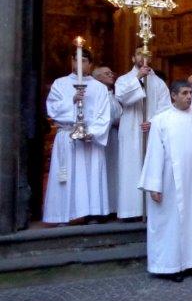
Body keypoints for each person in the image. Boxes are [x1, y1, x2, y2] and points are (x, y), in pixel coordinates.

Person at [138, 81, 192, 282]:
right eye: (184, 93)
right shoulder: (161, 120)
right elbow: (154, 153)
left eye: (190, 93)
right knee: (170, 223)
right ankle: (170, 266)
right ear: (173, 96)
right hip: (169, 181)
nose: (189, 96)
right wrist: (154, 185)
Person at [43, 48, 111, 224]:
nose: (79, 64)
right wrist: (71, 100)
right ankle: (62, 215)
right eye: (76, 60)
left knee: (90, 175)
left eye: (84, 61)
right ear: (71, 62)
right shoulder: (60, 84)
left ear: (91, 64)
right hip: (68, 136)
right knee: (66, 177)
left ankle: (92, 213)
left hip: (90, 140)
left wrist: (91, 132)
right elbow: (52, 108)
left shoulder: (99, 88)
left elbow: (104, 115)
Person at [115, 47, 171, 220]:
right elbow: (122, 98)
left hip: (152, 130)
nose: (143, 57)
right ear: (133, 58)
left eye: (146, 54)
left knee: (152, 165)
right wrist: (138, 78)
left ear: (151, 57)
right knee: (130, 166)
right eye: (139, 54)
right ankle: (130, 210)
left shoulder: (159, 83)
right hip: (131, 128)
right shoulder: (124, 79)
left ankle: (151, 209)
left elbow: (166, 108)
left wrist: (153, 122)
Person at [92, 66, 122, 218]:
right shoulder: (97, 94)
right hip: (102, 137)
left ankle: (114, 206)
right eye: (107, 73)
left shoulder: (113, 94)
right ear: (97, 78)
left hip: (114, 137)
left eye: (112, 72)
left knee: (114, 170)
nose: (111, 75)